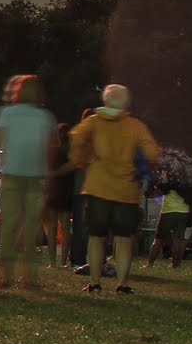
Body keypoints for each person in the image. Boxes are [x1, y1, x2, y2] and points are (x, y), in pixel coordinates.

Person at [68, 85, 160, 296]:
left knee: (96, 236)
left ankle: (95, 282)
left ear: (106, 100)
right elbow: (152, 152)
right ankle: (123, 283)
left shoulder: (93, 123)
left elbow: (77, 140)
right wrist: (140, 167)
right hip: (126, 190)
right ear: (126, 102)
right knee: (124, 238)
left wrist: (83, 160)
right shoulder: (135, 126)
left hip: (98, 186)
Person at [0, 75, 56, 289]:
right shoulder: (45, 117)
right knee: (31, 228)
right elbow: (49, 147)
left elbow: (2, 145)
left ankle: (4, 274)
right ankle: (29, 276)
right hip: (36, 175)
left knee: (9, 225)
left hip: (12, 173)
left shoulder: (6, 114)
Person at [43, 124, 76, 268]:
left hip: (52, 189)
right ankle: (63, 261)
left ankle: (52, 262)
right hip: (66, 189)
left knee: (52, 228)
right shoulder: (70, 151)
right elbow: (73, 166)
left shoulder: (51, 150)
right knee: (65, 227)